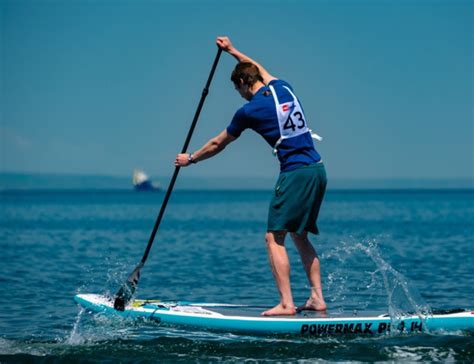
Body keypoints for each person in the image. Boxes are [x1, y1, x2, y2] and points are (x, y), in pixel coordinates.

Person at [175, 36, 328, 316]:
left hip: (295, 173)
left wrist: (191, 159)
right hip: (318, 170)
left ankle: (286, 303)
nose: (241, 94)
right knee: (299, 235)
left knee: (273, 237)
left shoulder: (249, 111)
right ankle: (317, 298)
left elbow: (218, 143)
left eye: (239, 89)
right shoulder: (283, 88)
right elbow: (257, 66)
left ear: (244, 83)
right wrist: (233, 51)